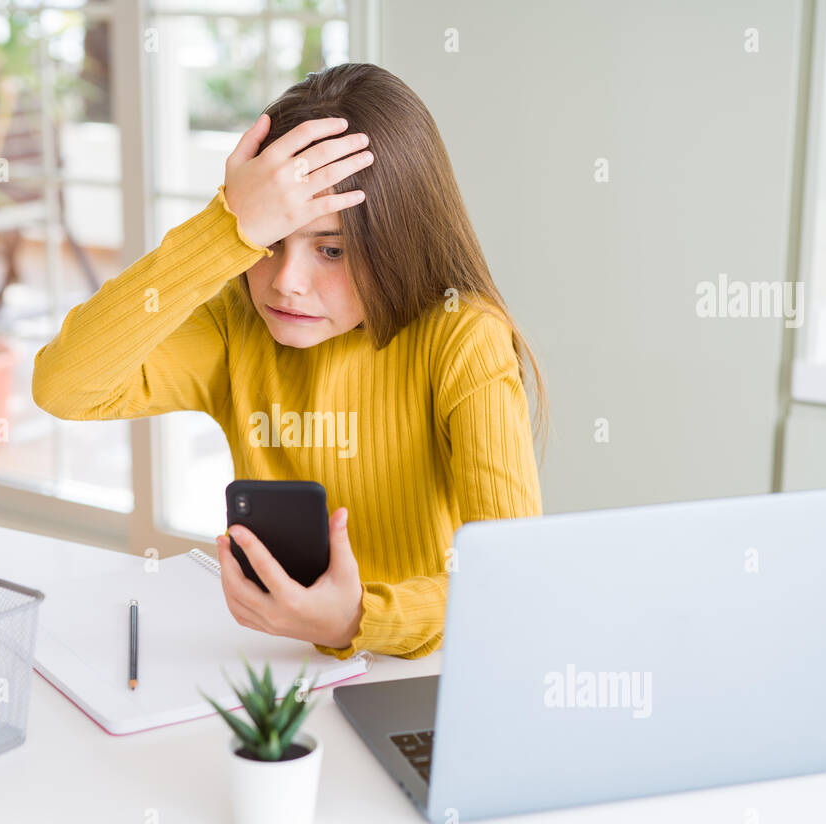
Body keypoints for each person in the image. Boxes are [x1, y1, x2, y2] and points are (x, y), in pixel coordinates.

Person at [32, 63, 546, 661]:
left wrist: (358, 619)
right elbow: (63, 386)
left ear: (401, 242)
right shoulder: (236, 325)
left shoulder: (463, 338)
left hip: (427, 671)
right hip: (279, 663)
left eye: (330, 250)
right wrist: (224, 230)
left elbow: (515, 584)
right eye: (268, 243)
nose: (286, 284)